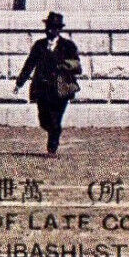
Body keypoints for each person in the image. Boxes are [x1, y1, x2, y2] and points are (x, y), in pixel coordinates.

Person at [13, 12, 82, 155]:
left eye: (54, 27)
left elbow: (77, 66)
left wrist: (63, 65)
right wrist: (19, 83)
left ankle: (52, 145)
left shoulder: (67, 46)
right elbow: (29, 64)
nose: (50, 30)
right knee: (43, 119)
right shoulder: (39, 45)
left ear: (59, 29)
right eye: (48, 27)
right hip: (42, 89)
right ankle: (54, 131)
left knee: (56, 118)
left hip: (61, 88)